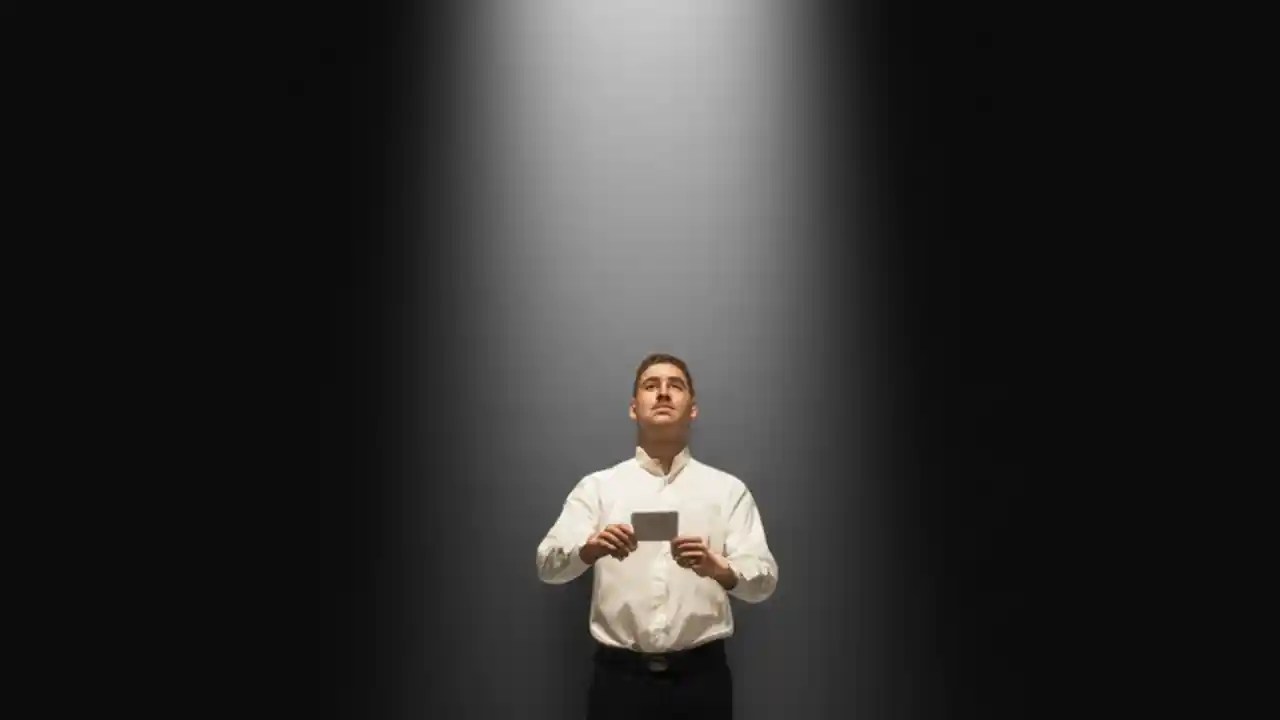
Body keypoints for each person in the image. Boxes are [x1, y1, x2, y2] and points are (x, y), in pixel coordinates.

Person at [536, 352, 779, 720]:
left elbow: (764, 581)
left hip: (702, 684)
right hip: (618, 685)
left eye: (675, 386)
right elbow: (547, 566)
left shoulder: (728, 491)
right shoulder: (598, 489)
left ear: (692, 409)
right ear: (634, 408)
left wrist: (720, 569)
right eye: (652, 386)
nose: (663, 393)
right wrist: (589, 550)